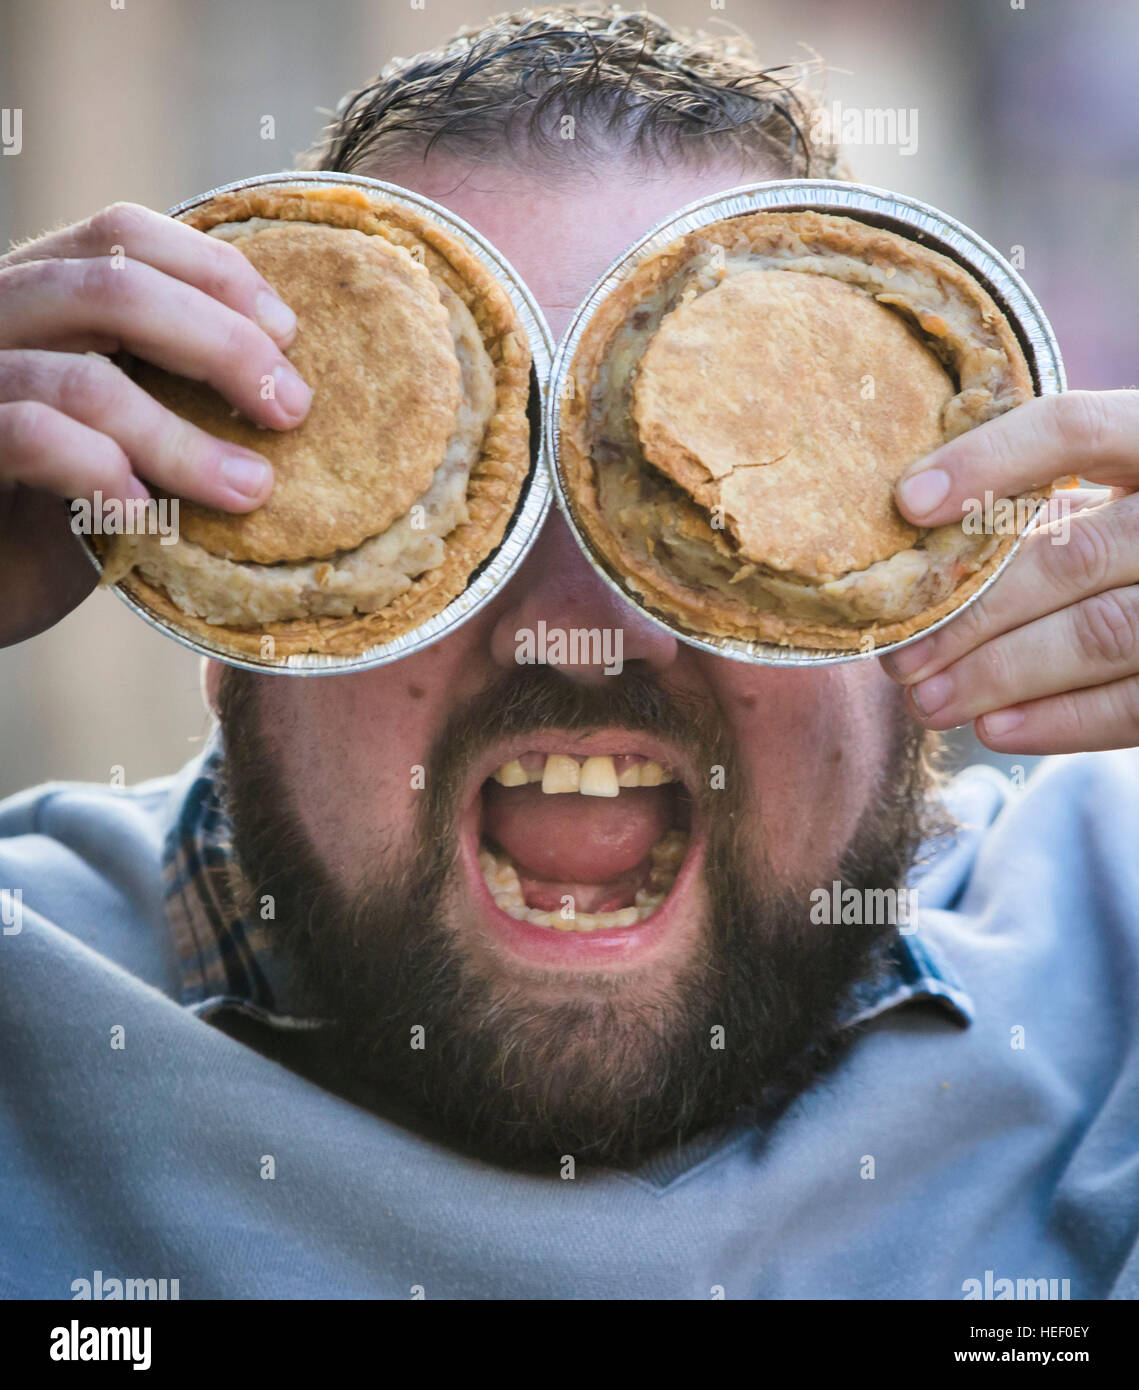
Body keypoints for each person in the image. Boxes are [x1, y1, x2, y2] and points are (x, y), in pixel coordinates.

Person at [1, 7, 1137, 1301]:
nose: (585, 631)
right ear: (237, 627)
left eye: (715, 520)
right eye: (466, 517)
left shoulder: (1117, 961)